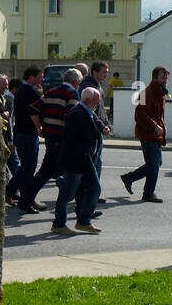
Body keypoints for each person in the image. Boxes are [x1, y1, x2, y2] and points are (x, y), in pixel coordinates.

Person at [17, 68, 80, 213]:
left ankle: (25, 200)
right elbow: (72, 117)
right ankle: (79, 207)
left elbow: (33, 109)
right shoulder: (72, 93)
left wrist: (40, 127)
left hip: (51, 136)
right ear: (75, 82)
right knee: (69, 171)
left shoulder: (51, 91)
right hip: (62, 138)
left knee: (47, 171)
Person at [52, 86, 104, 235]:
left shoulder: (87, 112)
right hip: (76, 163)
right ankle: (59, 224)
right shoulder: (77, 114)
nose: (99, 102)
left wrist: (103, 127)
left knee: (91, 189)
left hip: (85, 161)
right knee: (67, 195)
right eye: (96, 99)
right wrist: (86, 161)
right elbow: (73, 143)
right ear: (88, 100)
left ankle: (84, 221)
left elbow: (96, 120)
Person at [121, 65, 169, 202]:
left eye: (166, 77)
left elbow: (158, 115)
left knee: (156, 163)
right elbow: (140, 116)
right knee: (153, 165)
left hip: (155, 134)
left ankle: (129, 178)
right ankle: (148, 193)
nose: (165, 79)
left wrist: (162, 127)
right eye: (162, 77)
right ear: (155, 78)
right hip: (147, 134)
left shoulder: (160, 92)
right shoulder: (145, 93)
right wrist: (155, 127)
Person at [7, 66, 44, 205]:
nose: (42, 79)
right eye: (40, 76)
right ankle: (25, 198)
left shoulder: (23, 90)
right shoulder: (29, 91)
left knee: (26, 168)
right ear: (31, 77)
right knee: (28, 168)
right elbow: (37, 111)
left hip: (23, 133)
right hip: (27, 134)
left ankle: (19, 194)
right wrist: (40, 127)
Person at [79, 61, 112, 202]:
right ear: (95, 71)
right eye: (104, 71)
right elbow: (90, 112)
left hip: (98, 130)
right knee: (93, 165)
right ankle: (89, 194)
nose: (106, 74)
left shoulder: (98, 86)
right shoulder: (87, 87)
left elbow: (101, 110)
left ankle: (93, 193)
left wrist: (107, 124)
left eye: (107, 72)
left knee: (96, 164)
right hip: (91, 132)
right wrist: (101, 126)